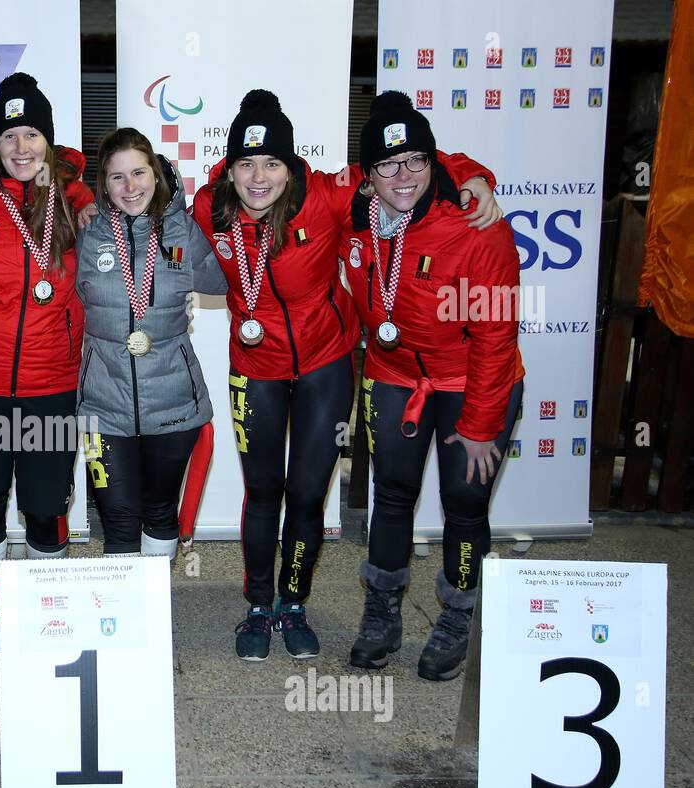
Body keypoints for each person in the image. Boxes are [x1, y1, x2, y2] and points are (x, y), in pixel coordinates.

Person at [192, 90, 500, 663]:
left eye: (273, 163)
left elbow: (404, 163)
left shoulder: (331, 197)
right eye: (246, 164)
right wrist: (85, 202)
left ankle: (295, 605)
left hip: (326, 366)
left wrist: (474, 175)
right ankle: (259, 606)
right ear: (229, 168)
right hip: (254, 368)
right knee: (264, 493)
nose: (260, 179)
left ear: (293, 165)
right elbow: (136, 198)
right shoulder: (211, 207)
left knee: (308, 495)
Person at [343, 91, 524, 681]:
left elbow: (496, 338)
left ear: (434, 162)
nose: (403, 176)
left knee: (465, 502)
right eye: (388, 165)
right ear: (366, 175)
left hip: (472, 379)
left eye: (416, 160)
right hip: (394, 375)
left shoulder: (477, 227)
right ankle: (383, 611)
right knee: (391, 493)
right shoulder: (359, 215)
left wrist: (478, 426)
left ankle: (458, 615)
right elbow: (260, 176)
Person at [0, 73, 94, 652]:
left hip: (50, 383)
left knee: (44, 502)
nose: (22, 147)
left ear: (49, 142)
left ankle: (39, 599)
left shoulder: (81, 202)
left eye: (33, 133)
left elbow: (148, 199)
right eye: (10, 136)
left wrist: (82, 192)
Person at [74, 127, 226, 558]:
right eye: (117, 177)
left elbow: (224, 280)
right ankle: (122, 621)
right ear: (103, 185)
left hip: (174, 400)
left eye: (139, 173)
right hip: (101, 406)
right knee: (118, 518)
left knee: (161, 512)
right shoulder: (87, 234)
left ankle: (153, 616)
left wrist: (210, 219)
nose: (130, 187)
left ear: (158, 175)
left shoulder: (183, 231)